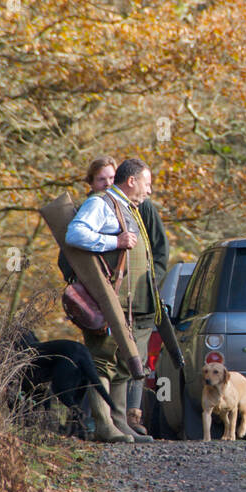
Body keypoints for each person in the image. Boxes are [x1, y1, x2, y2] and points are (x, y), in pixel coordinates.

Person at [64, 157, 161, 443]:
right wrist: (114, 242)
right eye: (147, 183)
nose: (149, 190)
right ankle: (104, 425)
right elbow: (75, 233)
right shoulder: (101, 203)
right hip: (108, 300)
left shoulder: (126, 207)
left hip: (126, 302)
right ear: (131, 181)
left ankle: (119, 424)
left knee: (120, 361)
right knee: (103, 361)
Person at [125, 187, 170, 435]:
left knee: (137, 359)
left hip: (141, 300)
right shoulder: (93, 208)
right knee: (106, 360)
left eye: (110, 178)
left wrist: (152, 284)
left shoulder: (144, 208)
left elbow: (160, 250)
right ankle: (100, 420)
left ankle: (132, 417)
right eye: (102, 179)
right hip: (106, 301)